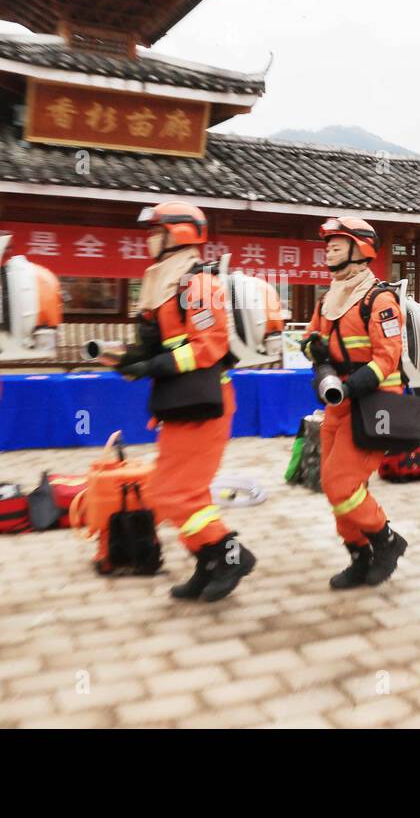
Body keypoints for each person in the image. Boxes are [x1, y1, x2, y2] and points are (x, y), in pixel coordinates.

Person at [112, 201, 257, 601]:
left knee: (176, 492)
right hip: (180, 401)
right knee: (171, 492)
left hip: (203, 400)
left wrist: (152, 366)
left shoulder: (198, 284)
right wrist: (128, 360)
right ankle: (207, 561)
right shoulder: (161, 283)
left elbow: (206, 348)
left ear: (177, 234)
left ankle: (230, 555)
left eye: (155, 232)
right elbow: (159, 344)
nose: (148, 240)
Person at [301, 216, 408, 589]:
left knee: (339, 484)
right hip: (339, 404)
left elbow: (388, 356)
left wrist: (351, 386)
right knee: (339, 487)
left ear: (359, 249)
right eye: (327, 241)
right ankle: (359, 557)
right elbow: (313, 339)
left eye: (338, 240)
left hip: (375, 403)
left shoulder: (379, 298)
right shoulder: (329, 297)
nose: (328, 246)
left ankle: (388, 541)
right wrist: (314, 352)